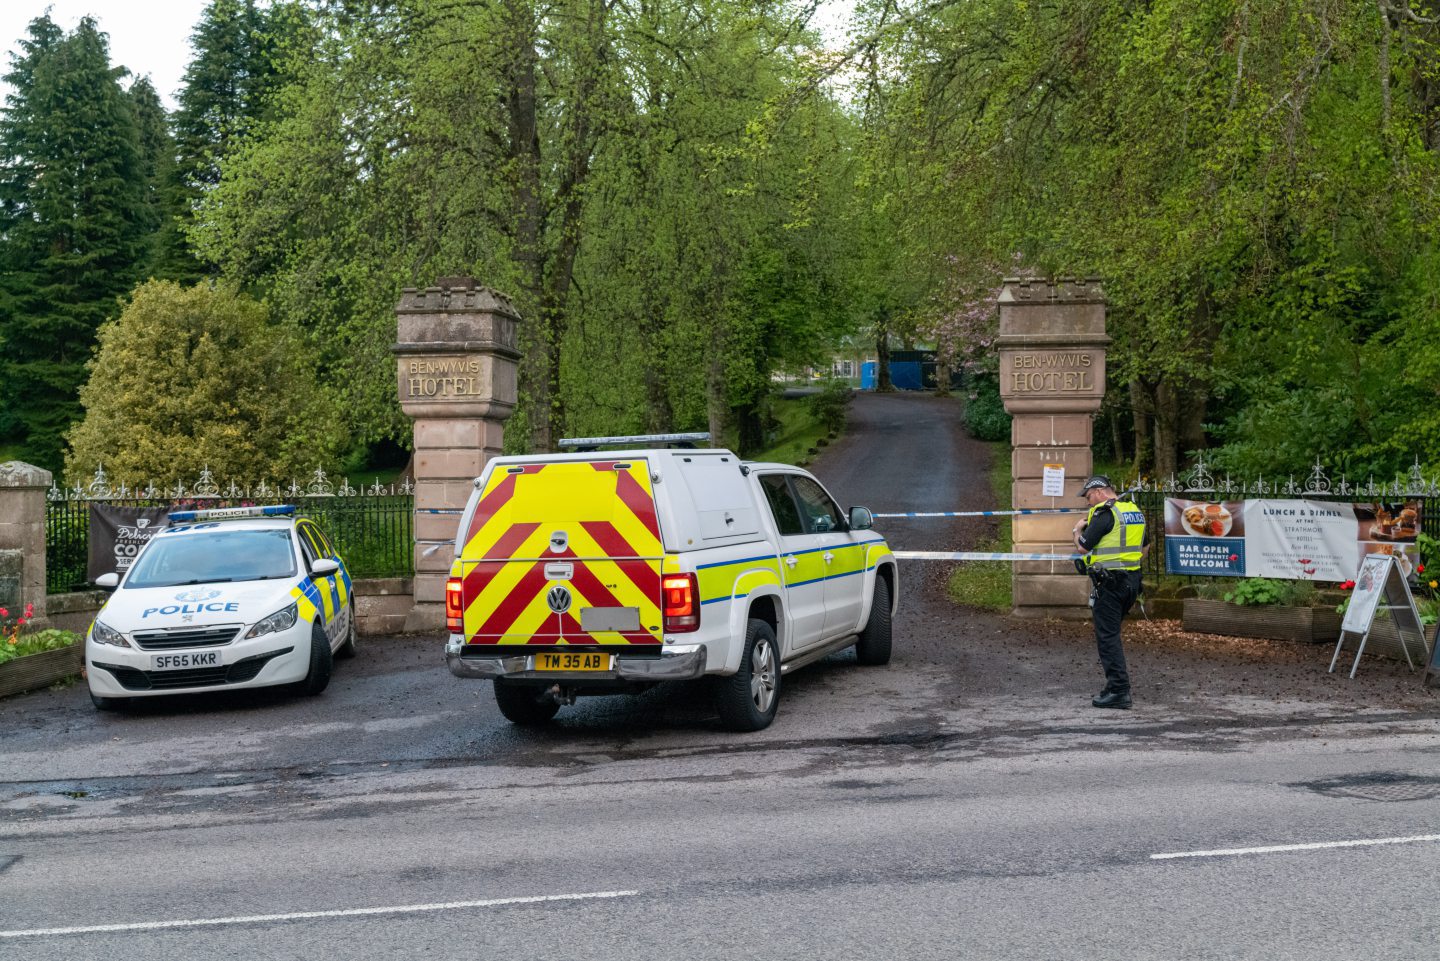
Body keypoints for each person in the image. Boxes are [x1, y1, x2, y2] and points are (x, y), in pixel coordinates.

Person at [1072, 475, 1149, 709]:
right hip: (1132, 581)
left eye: (1088, 497)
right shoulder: (1133, 511)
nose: (1087, 502)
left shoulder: (1104, 513)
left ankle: (1119, 690)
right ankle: (1113, 686)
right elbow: (1144, 549)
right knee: (1111, 633)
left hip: (1111, 583)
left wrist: (1077, 530)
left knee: (1107, 637)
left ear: (1099, 492)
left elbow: (1083, 545)